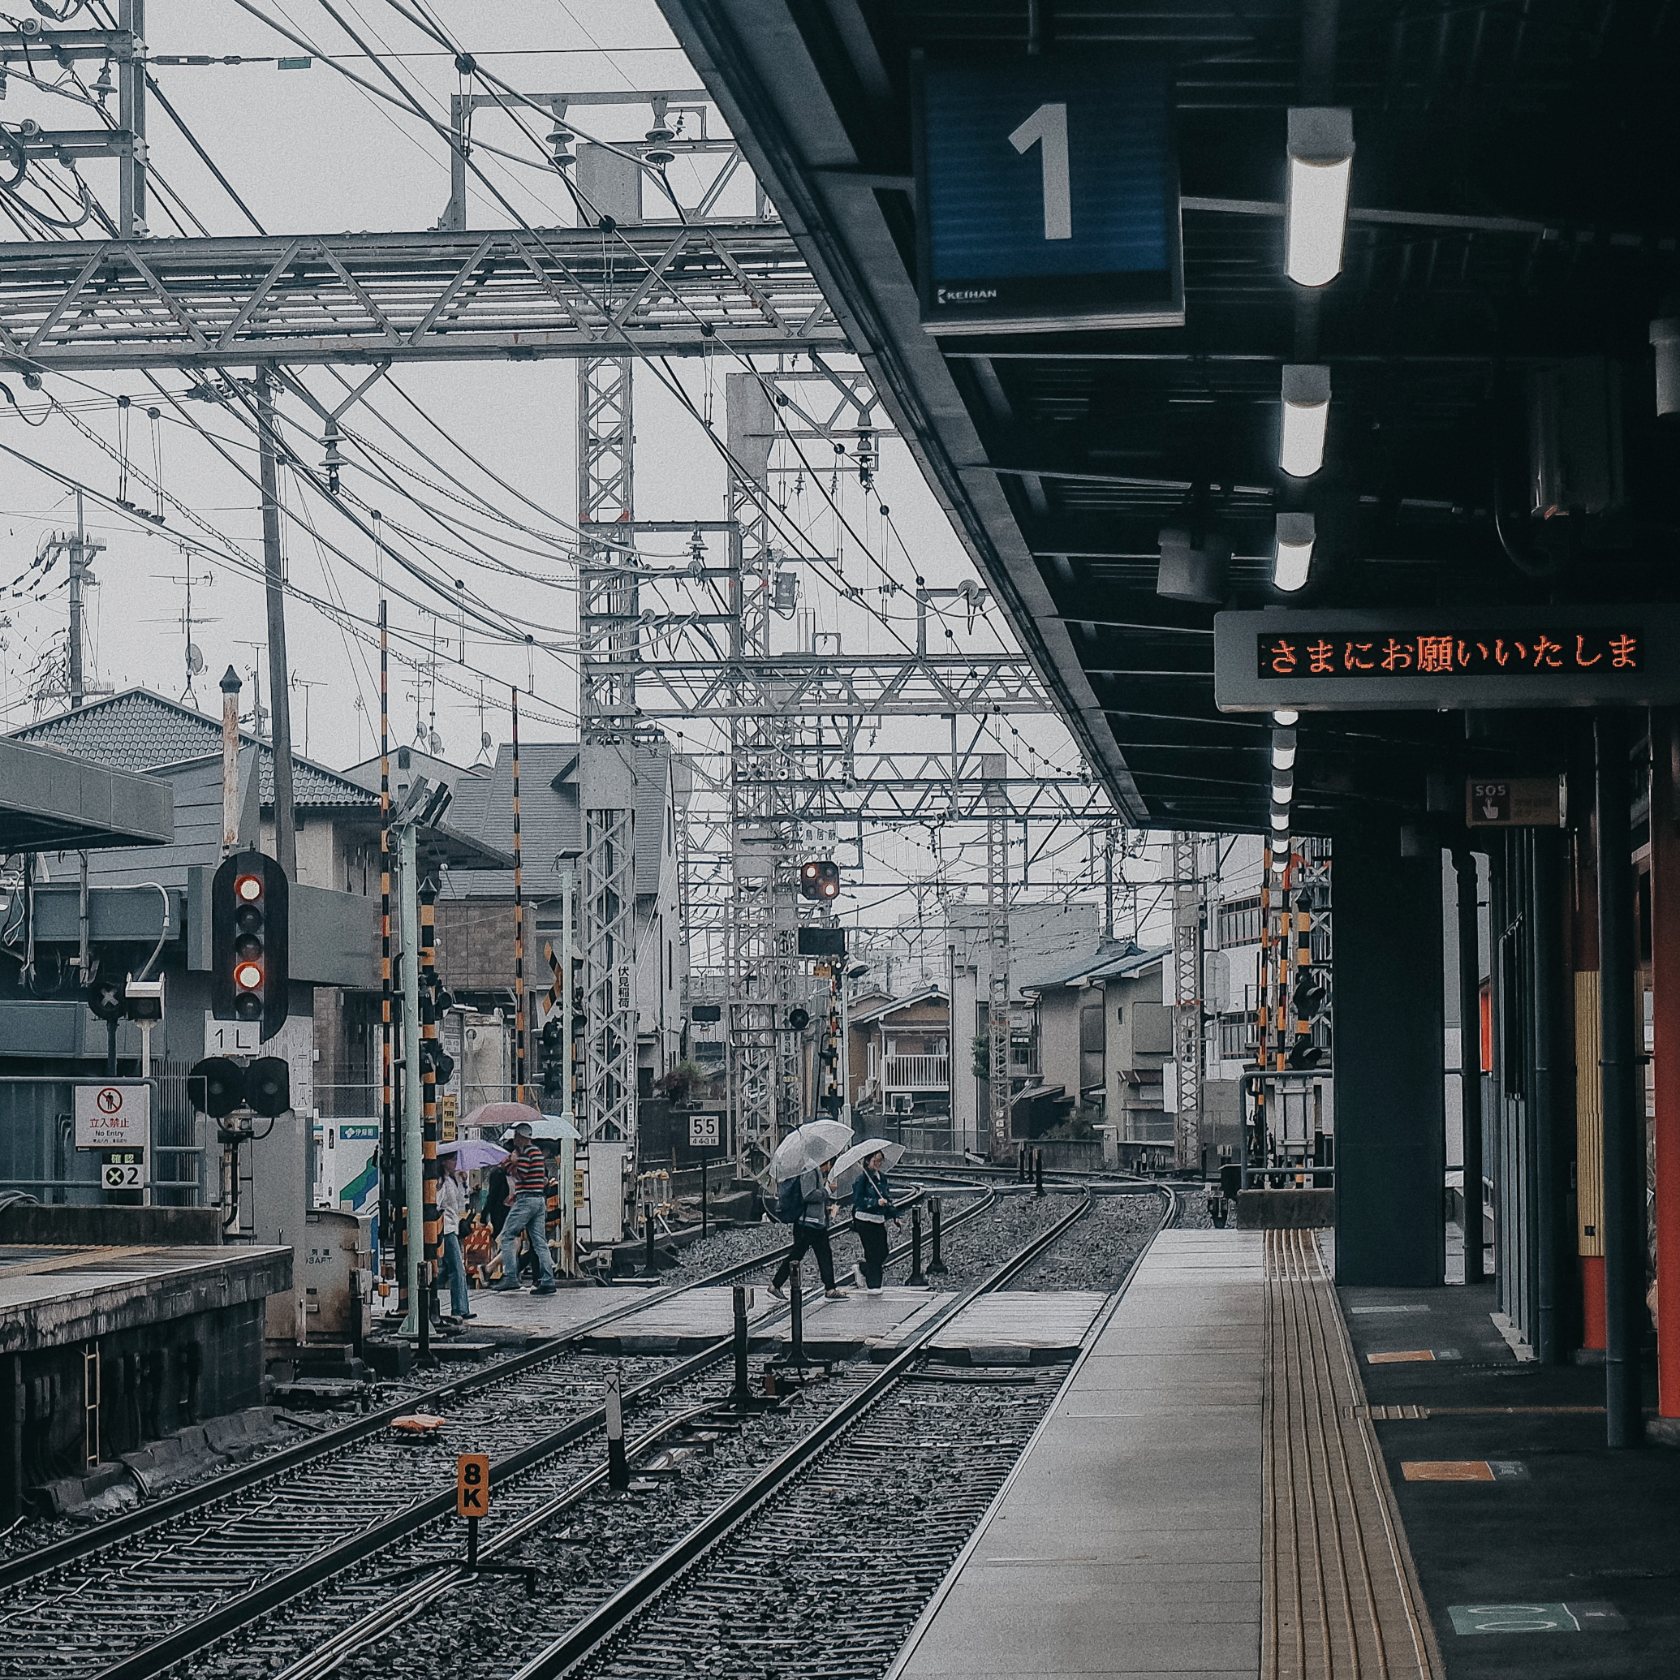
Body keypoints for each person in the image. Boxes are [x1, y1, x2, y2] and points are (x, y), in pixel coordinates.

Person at [769, 1158, 846, 1300]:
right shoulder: (809, 1169)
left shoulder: (813, 1169)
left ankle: (830, 1288)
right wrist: (827, 1190)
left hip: (816, 1223)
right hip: (807, 1224)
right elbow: (808, 1194)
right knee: (797, 1255)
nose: (828, 1169)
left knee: (824, 1255)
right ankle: (775, 1284)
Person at [494, 1122, 557, 1295]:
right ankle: (548, 1279)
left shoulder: (527, 1153)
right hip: (538, 1200)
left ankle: (511, 1276)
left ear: (522, 1137)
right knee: (539, 1241)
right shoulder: (537, 1153)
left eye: (516, 1136)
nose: (514, 1139)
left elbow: (520, 1174)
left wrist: (510, 1163)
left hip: (526, 1200)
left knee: (507, 1236)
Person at [849, 1151, 897, 1294]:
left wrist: (894, 1215)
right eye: (875, 1161)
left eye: (880, 1161)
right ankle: (874, 1285)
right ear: (867, 1161)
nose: (878, 1164)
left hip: (878, 1220)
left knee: (883, 1251)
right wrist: (875, 1202)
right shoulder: (862, 1179)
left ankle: (862, 1268)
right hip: (864, 1219)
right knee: (872, 1253)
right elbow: (858, 1200)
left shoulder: (881, 1178)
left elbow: (887, 1197)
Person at [437, 1159, 474, 1320]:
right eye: (451, 1160)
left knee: (446, 1270)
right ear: (444, 1162)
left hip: (453, 1227)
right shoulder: (440, 1181)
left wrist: (464, 1182)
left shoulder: (451, 1180)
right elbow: (437, 1204)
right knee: (457, 1268)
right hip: (446, 1229)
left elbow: (461, 1201)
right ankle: (459, 1308)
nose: (454, 1163)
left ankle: (460, 1307)